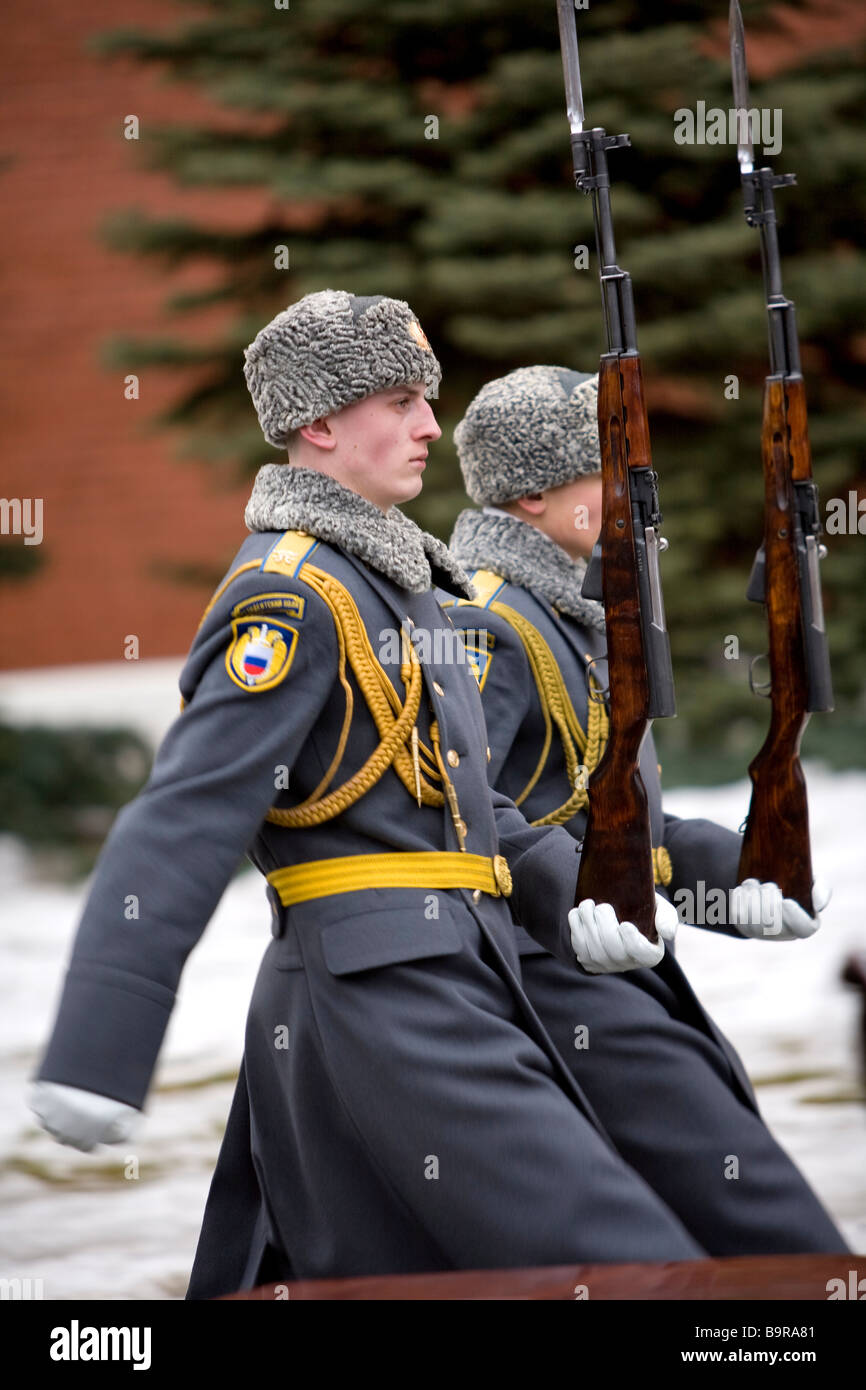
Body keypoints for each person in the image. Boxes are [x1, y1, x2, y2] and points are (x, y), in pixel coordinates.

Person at [28, 294, 710, 1299]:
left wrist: (589, 894)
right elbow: (184, 813)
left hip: (446, 985)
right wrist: (99, 1044)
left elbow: (482, 818)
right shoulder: (292, 595)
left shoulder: (406, 591)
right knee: (633, 1272)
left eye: (427, 400)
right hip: (381, 1002)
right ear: (319, 422)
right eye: (400, 399)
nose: (432, 426)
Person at [445, 364, 849, 1256]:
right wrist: (575, 902)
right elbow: (467, 811)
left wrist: (740, 875)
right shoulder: (486, 620)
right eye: (607, 474)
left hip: (615, 965)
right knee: (766, 1230)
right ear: (534, 494)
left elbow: (626, 820)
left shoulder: (576, 611)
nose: (632, 498)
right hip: (548, 977)